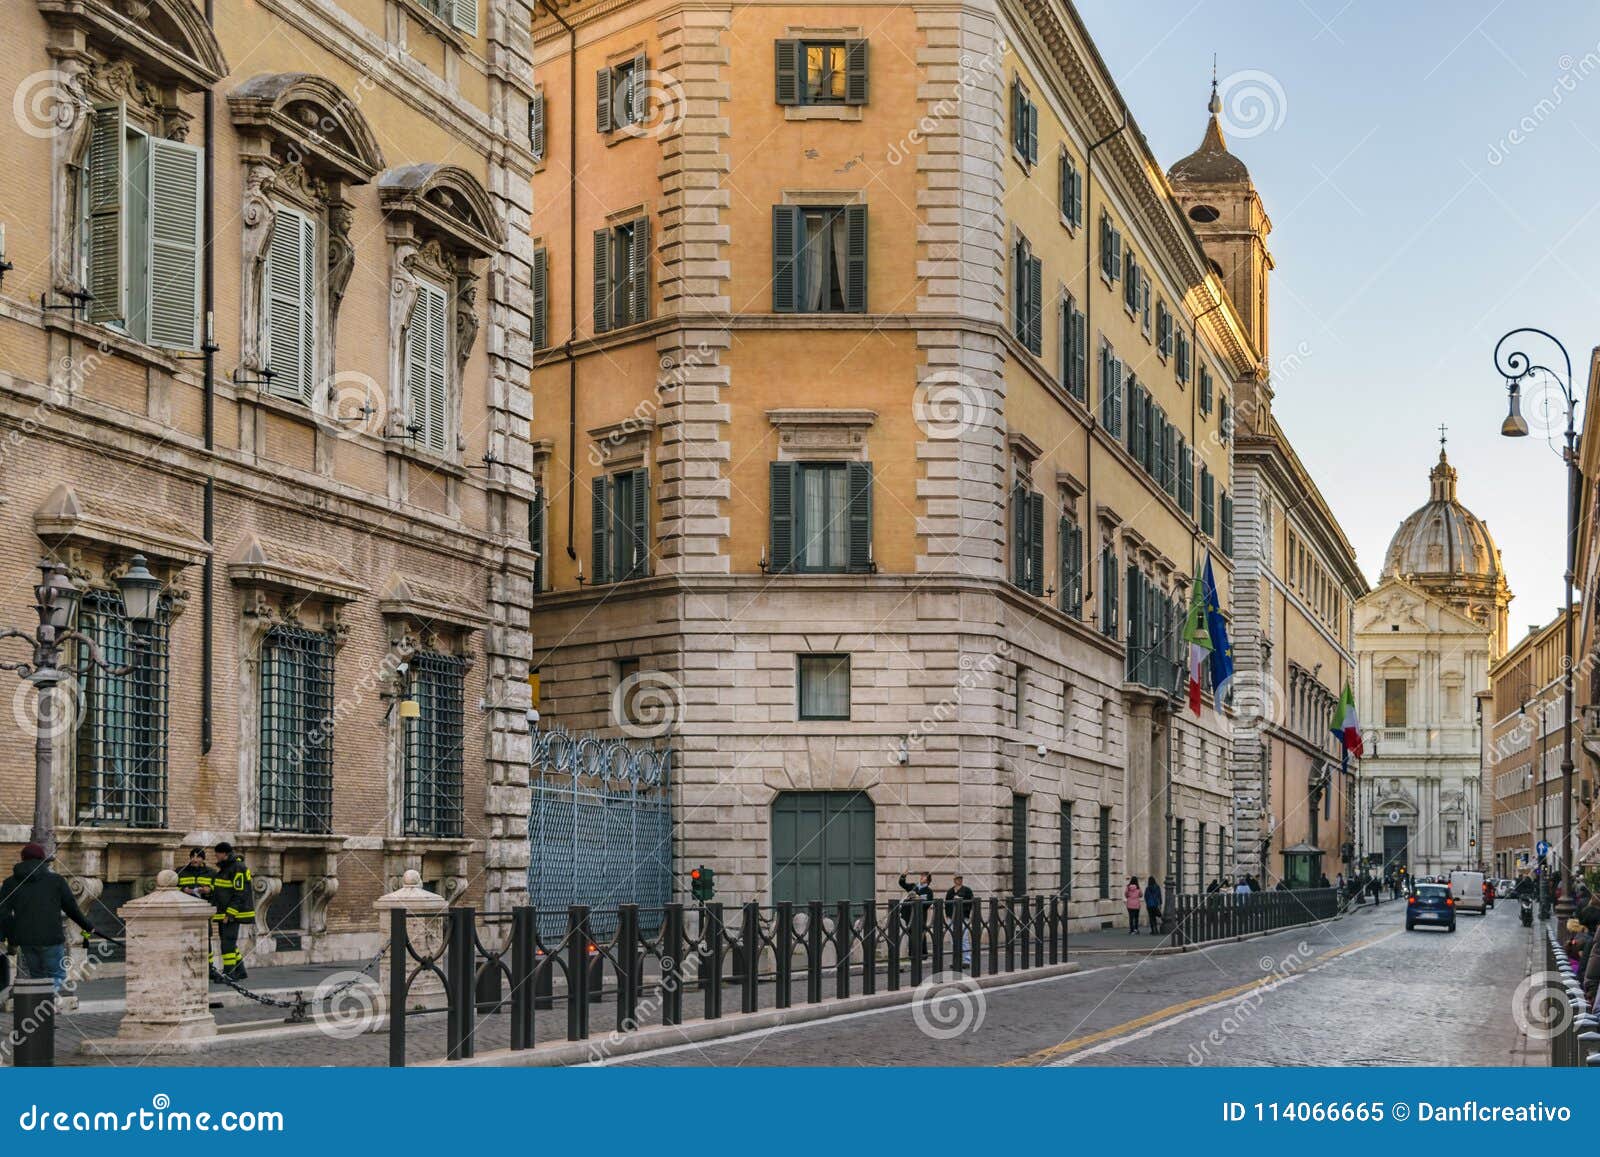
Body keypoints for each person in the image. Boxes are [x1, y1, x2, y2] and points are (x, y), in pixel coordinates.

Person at [0, 844, 96, 993]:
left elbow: (4, 914)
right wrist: (87, 926)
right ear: (43, 860)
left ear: (22, 859)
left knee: (38, 977)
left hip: (25, 940)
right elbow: (71, 909)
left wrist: (12, 938)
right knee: (57, 975)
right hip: (51, 937)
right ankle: (49, 1004)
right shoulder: (56, 881)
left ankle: (41, 1007)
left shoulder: (10, 883)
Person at [209, 841, 255, 981]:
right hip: (224, 912)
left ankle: (229, 973)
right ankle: (240, 971)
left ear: (224, 853)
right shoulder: (227, 867)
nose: (215, 856)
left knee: (227, 943)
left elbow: (239, 892)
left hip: (232, 913)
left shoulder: (237, 867)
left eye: (217, 853)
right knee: (229, 942)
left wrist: (230, 914)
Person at [945, 875, 974, 965]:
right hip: (952, 917)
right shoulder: (950, 891)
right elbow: (947, 903)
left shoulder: (967, 890)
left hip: (963, 916)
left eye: (960, 878)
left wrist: (967, 912)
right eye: (957, 879)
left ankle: (966, 960)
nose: (959, 880)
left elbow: (971, 903)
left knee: (964, 938)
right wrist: (947, 915)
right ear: (954, 880)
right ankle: (956, 960)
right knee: (953, 939)